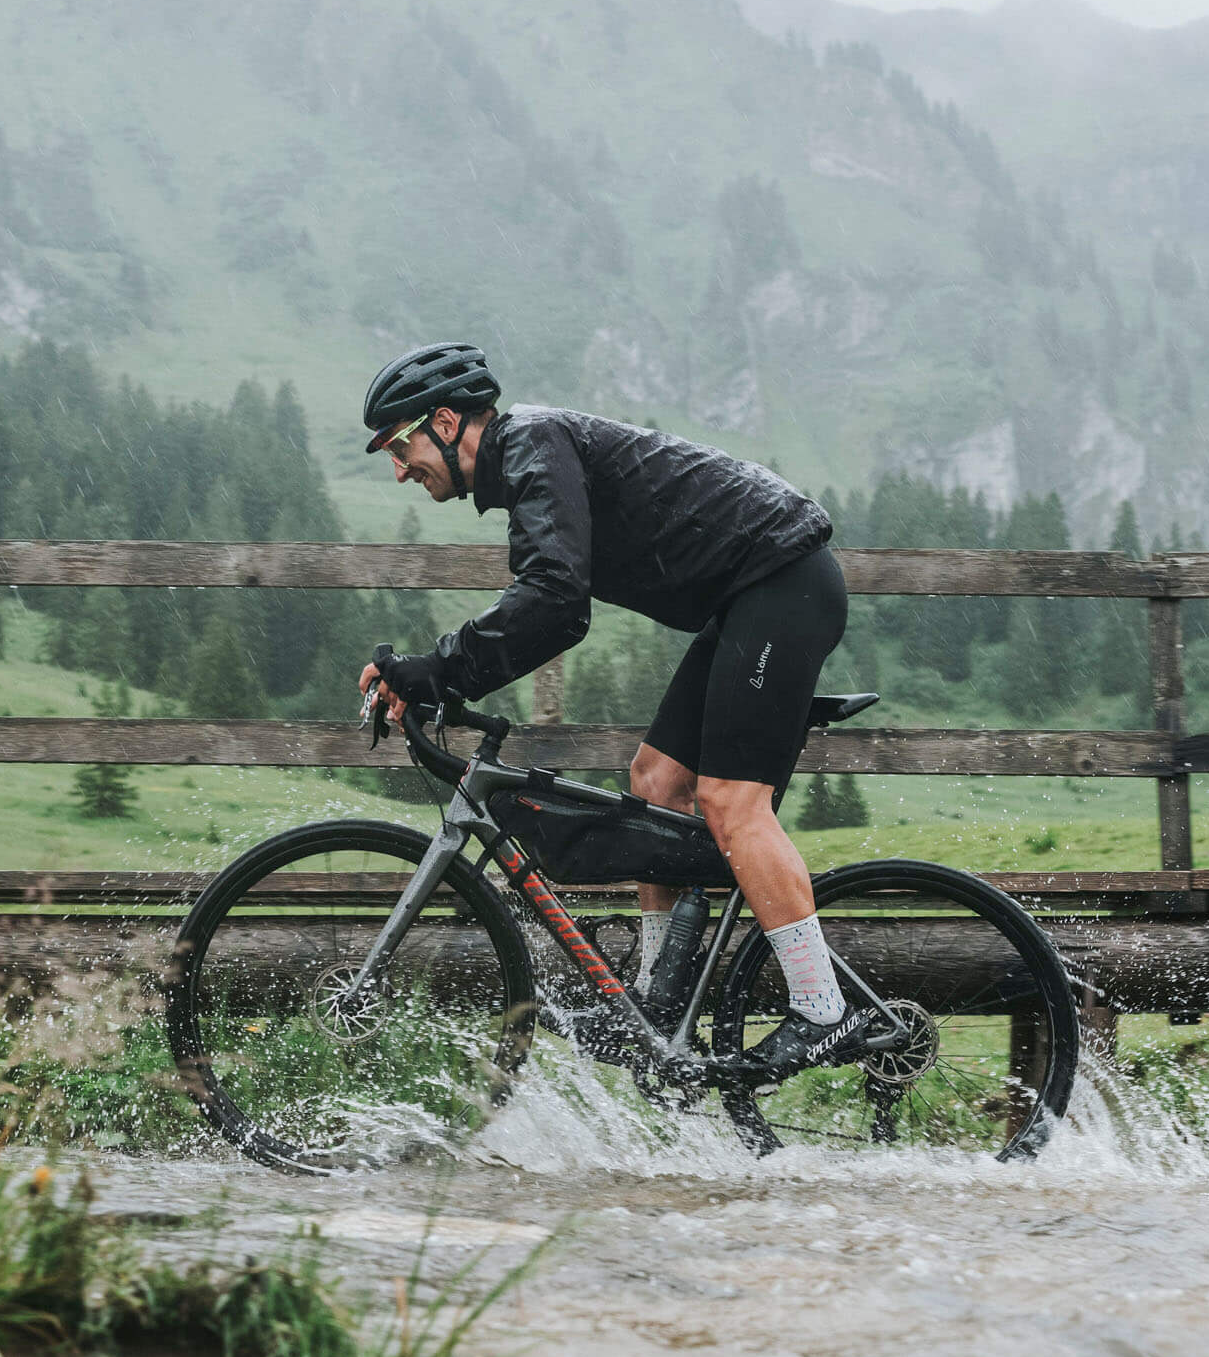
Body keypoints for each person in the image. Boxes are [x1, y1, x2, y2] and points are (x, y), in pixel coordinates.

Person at [354, 340, 873, 1086]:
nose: (400, 468)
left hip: (783, 578)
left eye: (400, 446)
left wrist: (437, 669)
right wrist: (445, 675)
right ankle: (661, 998)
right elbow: (546, 602)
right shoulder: (523, 464)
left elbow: (557, 601)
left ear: (444, 420)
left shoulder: (530, 442)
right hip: (746, 597)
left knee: (733, 804)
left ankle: (824, 1010)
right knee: (656, 779)